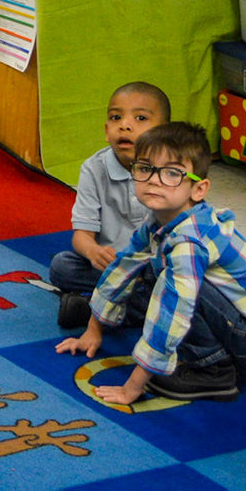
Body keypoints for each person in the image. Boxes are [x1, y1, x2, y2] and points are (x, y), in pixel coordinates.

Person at [56, 122, 246, 403]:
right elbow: (124, 267)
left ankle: (213, 368)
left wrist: (133, 385)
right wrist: (93, 330)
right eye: (145, 169)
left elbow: (176, 308)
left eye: (172, 173)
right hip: (231, 322)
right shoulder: (159, 220)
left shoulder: (190, 241)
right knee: (151, 272)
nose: (154, 180)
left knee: (174, 286)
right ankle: (173, 339)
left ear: (199, 189)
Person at [48, 81, 170, 329]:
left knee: (193, 281)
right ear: (106, 130)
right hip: (113, 267)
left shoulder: (172, 170)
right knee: (62, 266)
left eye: (140, 118)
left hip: (156, 268)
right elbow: (81, 236)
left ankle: (96, 310)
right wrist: (94, 252)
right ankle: (137, 308)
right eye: (116, 117)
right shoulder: (94, 169)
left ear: (164, 132)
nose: (125, 125)